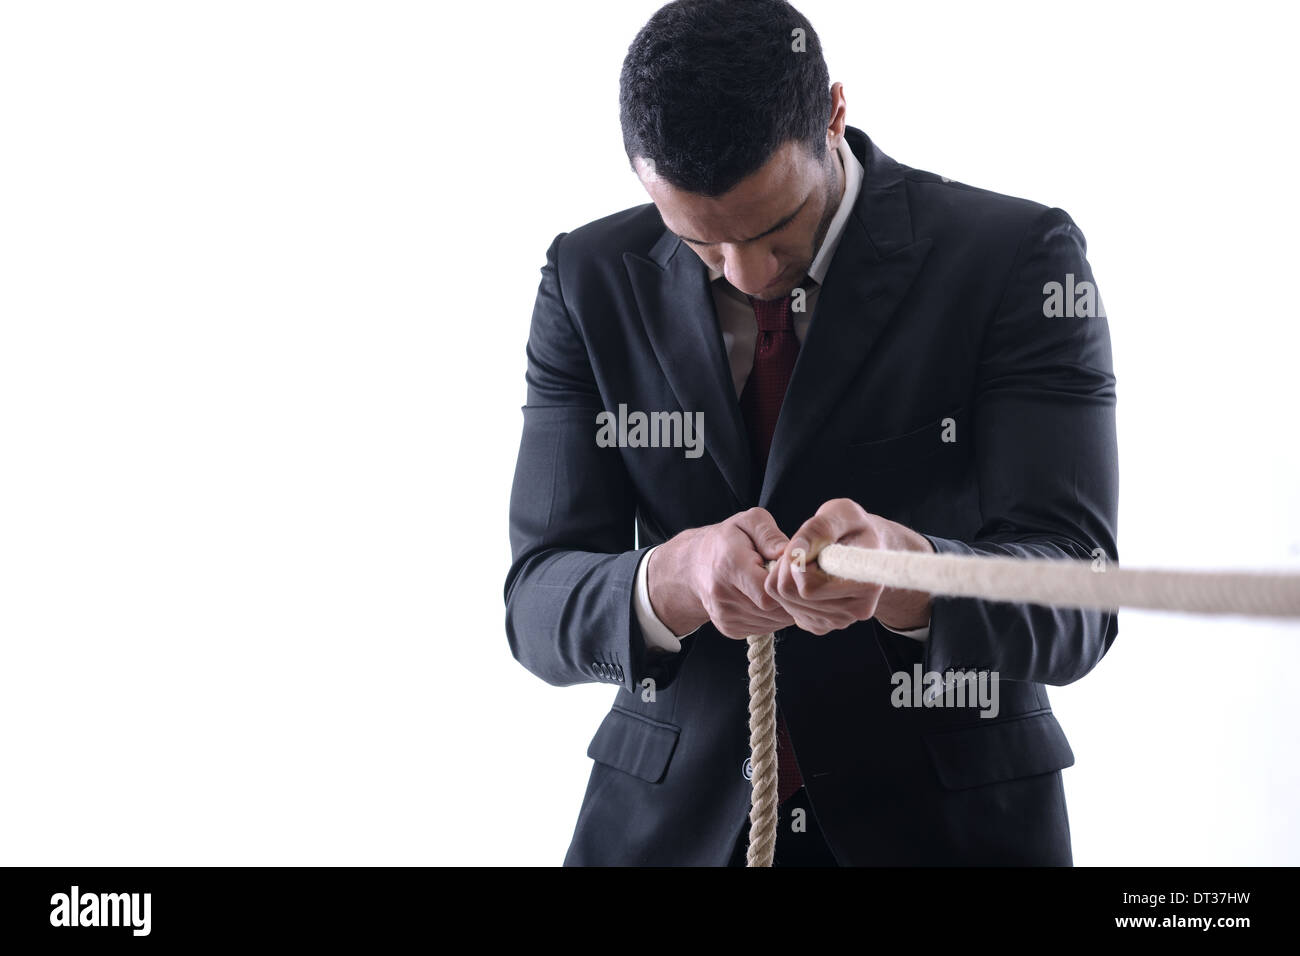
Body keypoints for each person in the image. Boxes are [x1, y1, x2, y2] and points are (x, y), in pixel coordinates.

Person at [504, 0, 1118, 866]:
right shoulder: (586, 278)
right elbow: (534, 602)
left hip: (951, 834)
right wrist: (671, 579)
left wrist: (907, 580)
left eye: (772, 227)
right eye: (702, 244)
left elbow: (1081, 596)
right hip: (665, 834)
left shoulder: (1016, 258)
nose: (748, 275)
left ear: (833, 111)